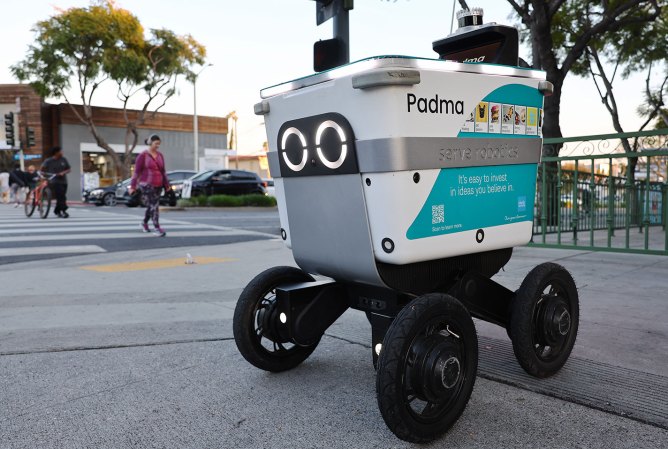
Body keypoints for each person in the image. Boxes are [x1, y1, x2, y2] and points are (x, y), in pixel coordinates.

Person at [128, 134, 171, 236]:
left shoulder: (160, 156)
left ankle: (144, 223)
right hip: (146, 184)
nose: (157, 146)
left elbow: (163, 171)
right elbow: (136, 173)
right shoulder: (142, 156)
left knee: (152, 205)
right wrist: (132, 186)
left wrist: (167, 185)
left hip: (158, 184)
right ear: (150, 143)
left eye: (159, 144)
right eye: (156, 143)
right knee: (154, 205)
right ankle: (157, 227)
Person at [41, 146, 71, 218]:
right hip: (54, 181)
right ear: (56, 152)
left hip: (64, 181)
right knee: (61, 196)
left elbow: (69, 169)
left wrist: (63, 172)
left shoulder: (64, 159)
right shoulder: (48, 161)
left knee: (61, 196)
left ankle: (57, 211)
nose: (62, 152)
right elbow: (42, 169)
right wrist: (44, 175)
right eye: (60, 151)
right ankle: (63, 211)